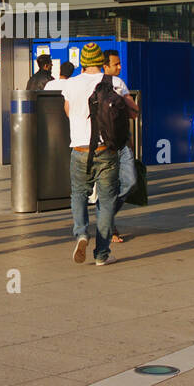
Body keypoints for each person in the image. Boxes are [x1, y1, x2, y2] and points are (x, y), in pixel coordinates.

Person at [62, 43, 135, 266]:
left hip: (80, 149)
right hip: (107, 150)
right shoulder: (114, 82)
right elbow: (134, 112)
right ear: (99, 62)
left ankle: (82, 233)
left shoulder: (71, 84)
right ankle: (102, 254)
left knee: (79, 194)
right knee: (106, 200)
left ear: (82, 62)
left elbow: (67, 111)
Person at [102, 49, 141, 243]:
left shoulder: (119, 83)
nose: (119, 67)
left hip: (121, 142)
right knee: (113, 185)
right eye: (115, 64)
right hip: (103, 145)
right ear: (105, 65)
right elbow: (134, 112)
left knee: (129, 182)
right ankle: (109, 225)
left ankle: (105, 217)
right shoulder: (116, 84)